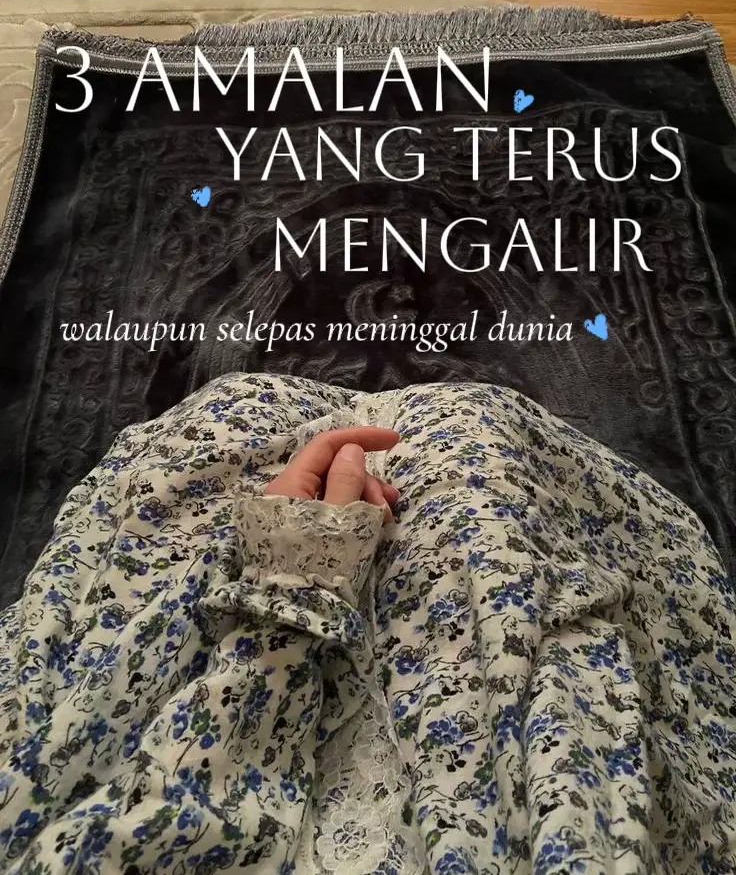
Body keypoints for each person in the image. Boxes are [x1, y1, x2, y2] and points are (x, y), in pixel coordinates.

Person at [0, 372, 733, 875]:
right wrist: (297, 581)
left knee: (211, 448)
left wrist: (287, 579)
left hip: (188, 697)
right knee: (482, 441)